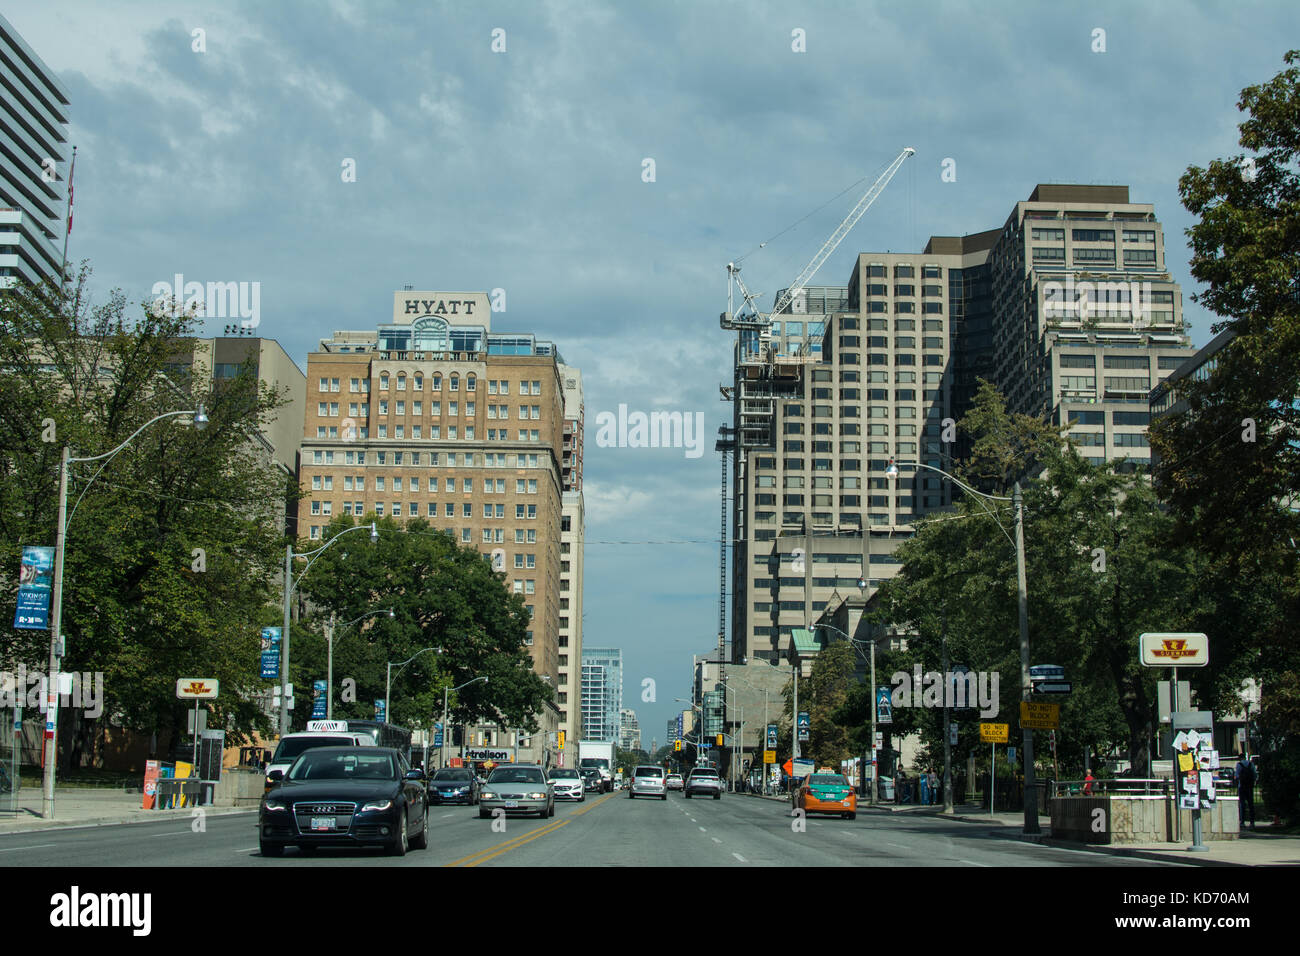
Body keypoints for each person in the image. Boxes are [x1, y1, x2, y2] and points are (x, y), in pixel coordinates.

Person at [1235, 752, 1256, 829]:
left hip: (1242, 786)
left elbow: (1237, 775)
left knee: (1242, 804)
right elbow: (1254, 774)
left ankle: (1242, 822)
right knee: (1251, 804)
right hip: (1250, 787)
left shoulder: (1239, 765)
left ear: (1239, 758)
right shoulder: (1251, 764)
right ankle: (1252, 822)